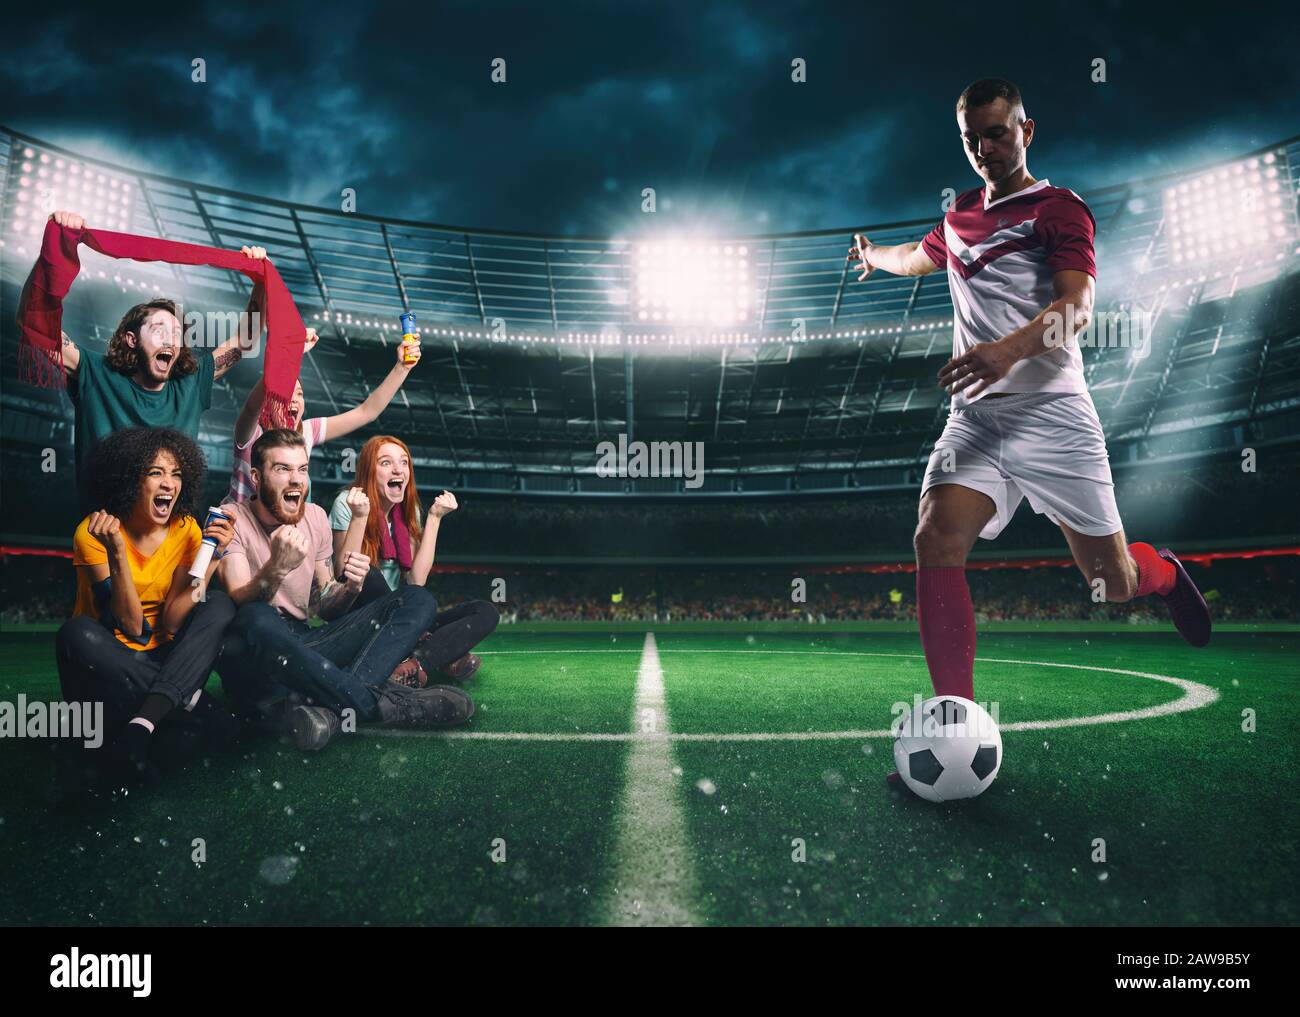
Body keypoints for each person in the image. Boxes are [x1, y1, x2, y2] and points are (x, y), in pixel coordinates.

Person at [846, 78, 1213, 792]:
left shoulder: (1058, 208)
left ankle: (1161, 571)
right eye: (971, 139)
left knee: (1112, 584)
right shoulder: (958, 218)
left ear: (1026, 130)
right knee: (934, 537)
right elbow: (920, 257)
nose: (985, 149)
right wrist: (873, 257)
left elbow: (1076, 308)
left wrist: (1003, 352)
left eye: (996, 133)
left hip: (1053, 413)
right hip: (977, 417)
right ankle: (954, 729)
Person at [214, 429, 474, 752]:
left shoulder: (315, 517)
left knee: (418, 599)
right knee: (256, 617)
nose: (296, 480)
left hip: (306, 644)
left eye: (302, 469)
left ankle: (328, 710)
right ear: (256, 476)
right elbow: (239, 600)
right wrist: (276, 568)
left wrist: (350, 588)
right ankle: (382, 705)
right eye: (282, 469)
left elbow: (325, 606)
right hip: (257, 655)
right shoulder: (231, 518)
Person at [17, 211, 278, 504]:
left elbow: (245, 341)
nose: (170, 338)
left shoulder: (189, 383)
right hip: (103, 536)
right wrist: (52, 252)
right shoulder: (97, 373)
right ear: (131, 340)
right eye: (158, 329)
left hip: (172, 539)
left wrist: (259, 280)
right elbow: (34, 324)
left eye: (177, 332)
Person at [55, 427, 239, 785]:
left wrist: (212, 556)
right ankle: (189, 702)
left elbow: (172, 620)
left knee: (218, 603)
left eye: (176, 474)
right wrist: (118, 552)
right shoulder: (92, 533)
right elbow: (131, 626)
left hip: (160, 656)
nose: (169, 484)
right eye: (155, 472)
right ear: (127, 480)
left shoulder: (186, 529)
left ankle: (144, 724)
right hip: (108, 665)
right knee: (75, 634)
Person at [330, 435, 498, 687]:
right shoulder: (347, 503)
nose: (398, 469)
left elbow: (416, 580)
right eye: (386, 463)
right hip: (362, 615)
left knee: (486, 611)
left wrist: (434, 518)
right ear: (367, 470)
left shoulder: (410, 511)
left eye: (404, 462)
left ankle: (416, 663)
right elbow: (346, 572)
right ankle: (442, 654)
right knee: (368, 574)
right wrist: (359, 516)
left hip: (404, 616)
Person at [224, 319, 421, 503]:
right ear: (266, 403)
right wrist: (291, 354)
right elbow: (251, 408)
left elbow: (366, 412)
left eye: (300, 394)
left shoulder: (307, 432)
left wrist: (402, 367)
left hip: (285, 535)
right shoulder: (250, 436)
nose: (294, 400)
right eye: (285, 393)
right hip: (239, 534)